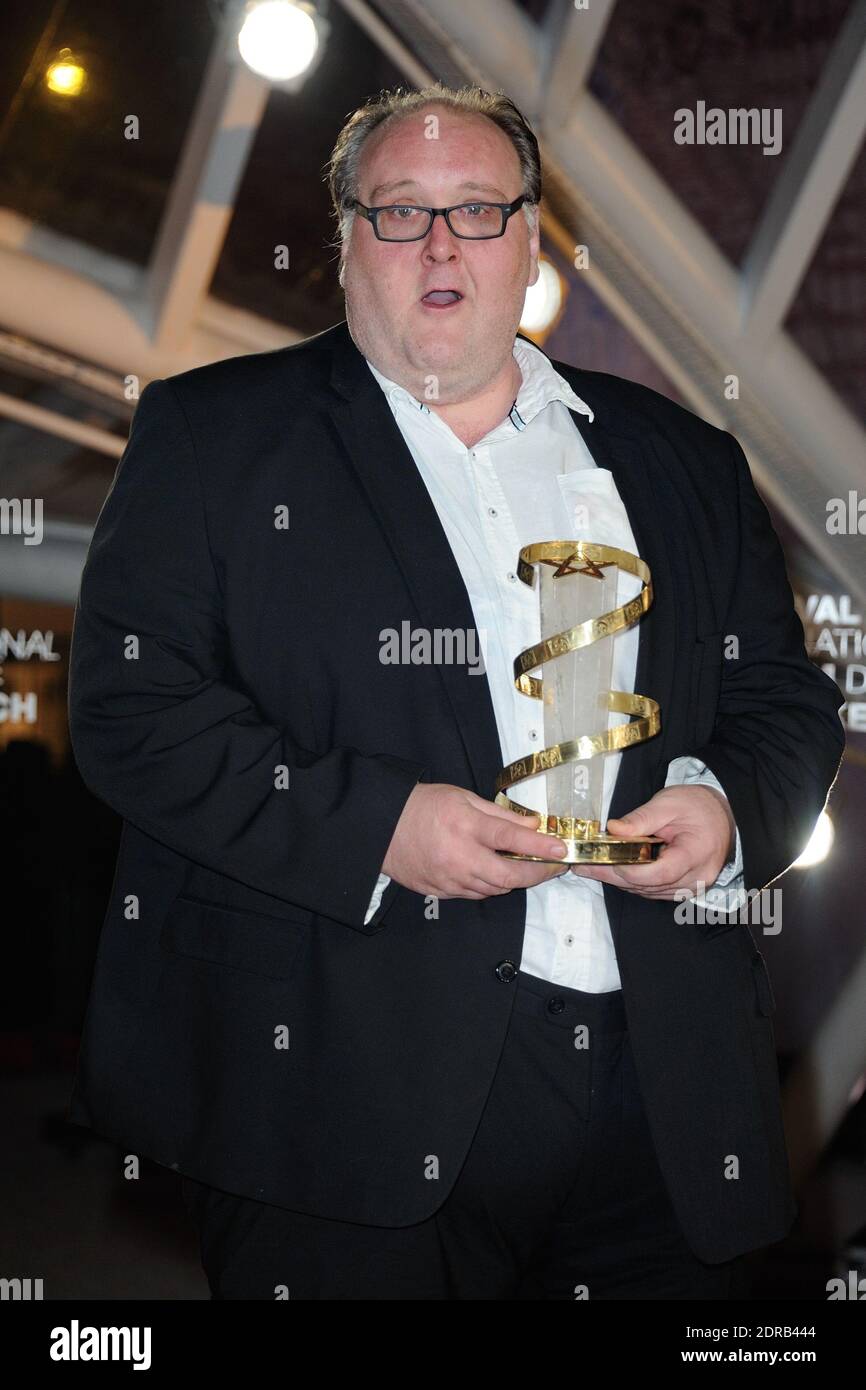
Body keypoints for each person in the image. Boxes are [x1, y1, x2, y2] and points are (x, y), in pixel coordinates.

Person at [67, 83, 845, 1300]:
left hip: (665, 1097)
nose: (441, 244)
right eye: (400, 212)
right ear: (343, 241)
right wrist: (379, 828)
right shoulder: (213, 437)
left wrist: (730, 812)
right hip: (339, 1094)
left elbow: (785, 708)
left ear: (532, 239)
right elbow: (130, 711)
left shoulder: (685, 461)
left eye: (478, 210)